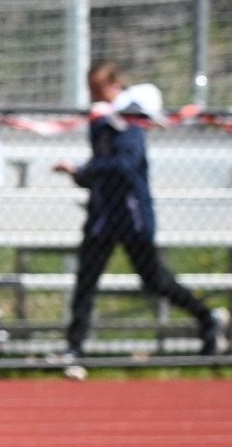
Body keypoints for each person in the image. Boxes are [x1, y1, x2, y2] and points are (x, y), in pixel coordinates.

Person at [56, 63, 225, 364]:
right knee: (86, 280)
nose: (96, 96)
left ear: (115, 86)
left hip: (131, 214)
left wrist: (84, 170)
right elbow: (100, 167)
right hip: (102, 217)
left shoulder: (130, 120)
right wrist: (80, 175)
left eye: (99, 89)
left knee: (154, 278)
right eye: (92, 90)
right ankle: (74, 348)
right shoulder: (100, 123)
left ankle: (208, 318)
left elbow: (124, 164)